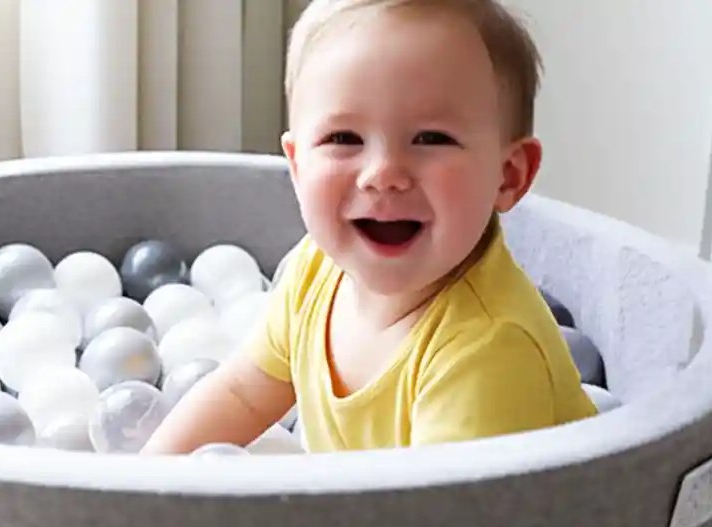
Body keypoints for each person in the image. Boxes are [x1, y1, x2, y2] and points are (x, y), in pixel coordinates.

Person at [142, 0, 596, 454]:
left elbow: (442, 523)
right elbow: (242, 394)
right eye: (344, 139)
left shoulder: (486, 352)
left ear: (509, 175)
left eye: (431, 138)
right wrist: (146, 484)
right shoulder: (315, 270)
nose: (383, 173)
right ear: (297, 166)